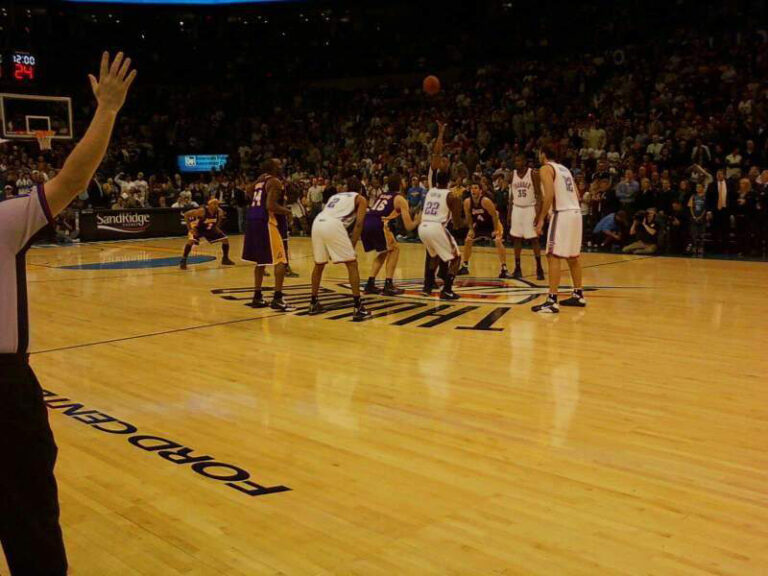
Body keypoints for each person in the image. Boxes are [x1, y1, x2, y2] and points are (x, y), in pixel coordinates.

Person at [0, 51, 136, 576]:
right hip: (3, 393)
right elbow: (72, 179)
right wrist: (107, 110)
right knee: (30, 519)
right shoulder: (5, 221)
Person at [532, 143, 585, 313]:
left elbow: (549, 194)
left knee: (553, 256)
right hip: (576, 213)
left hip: (562, 214)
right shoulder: (565, 169)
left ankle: (552, 300)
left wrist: (541, 219)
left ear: (543, 154)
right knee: (573, 257)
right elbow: (577, 195)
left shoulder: (546, 168)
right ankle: (578, 294)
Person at [309, 176, 371, 321]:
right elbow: (359, 223)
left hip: (318, 222)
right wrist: (353, 244)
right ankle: (358, 307)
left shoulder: (336, 196)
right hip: (333, 224)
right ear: (360, 189)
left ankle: (313, 302)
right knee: (352, 263)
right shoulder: (360, 199)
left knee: (319, 265)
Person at [241, 159, 294, 311]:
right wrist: (288, 211)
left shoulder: (259, 181)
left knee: (260, 261)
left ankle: (257, 296)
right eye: (278, 164)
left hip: (252, 220)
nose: (281, 166)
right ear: (272, 168)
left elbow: (248, 191)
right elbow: (270, 205)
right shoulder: (275, 182)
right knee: (281, 260)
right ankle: (277, 298)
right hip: (266, 221)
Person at [362, 173, 420, 295]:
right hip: (379, 223)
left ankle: (370, 283)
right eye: (403, 180)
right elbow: (409, 226)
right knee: (394, 250)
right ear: (400, 184)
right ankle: (388, 284)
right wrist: (418, 220)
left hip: (367, 222)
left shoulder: (382, 195)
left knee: (384, 252)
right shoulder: (400, 199)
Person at [418, 169, 464, 300]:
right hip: (436, 227)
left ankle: (427, 287)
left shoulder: (430, 191)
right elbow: (457, 223)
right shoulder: (451, 196)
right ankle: (447, 289)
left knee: (434, 256)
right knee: (456, 258)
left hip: (423, 227)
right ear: (449, 182)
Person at [457, 182, 509, 278]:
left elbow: (494, 216)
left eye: (476, 188)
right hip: (479, 225)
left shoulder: (485, 201)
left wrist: (496, 230)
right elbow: (468, 217)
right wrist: (471, 229)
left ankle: (504, 268)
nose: (473, 190)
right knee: (468, 240)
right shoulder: (467, 202)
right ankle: (465, 266)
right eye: (472, 188)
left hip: (492, 224)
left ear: (480, 191)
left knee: (498, 241)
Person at [507, 153, 544, 280]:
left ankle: (539, 268)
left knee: (534, 239)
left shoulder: (533, 174)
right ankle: (518, 268)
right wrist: (509, 213)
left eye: (519, 160)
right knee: (516, 238)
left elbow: (539, 195)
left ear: (524, 161)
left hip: (530, 208)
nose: (516, 162)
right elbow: (511, 195)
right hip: (517, 208)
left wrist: (538, 214)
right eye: (515, 160)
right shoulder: (512, 174)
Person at [179, 197, 235, 269]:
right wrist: (190, 229)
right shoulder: (202, 211)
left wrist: (216, 227)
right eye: (214, 204)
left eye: (217, 204)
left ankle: (225, 259)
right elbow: (186, 214)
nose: (216, 205)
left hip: (209, 229)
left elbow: (219, 219)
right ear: (209, 204)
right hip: (197, 228)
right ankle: (183, 260)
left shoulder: (219, 211)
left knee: (225, 239)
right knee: (191, 241)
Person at [688, 182, 708, 257]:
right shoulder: (693, 196)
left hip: (702, 217)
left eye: (699, 187)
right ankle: (694, 247)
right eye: (697, 187)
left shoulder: (705, 197)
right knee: (694, 233)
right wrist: (693, 216)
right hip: (694, 217)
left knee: (701, 234)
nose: (697, 188)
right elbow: (690, 207)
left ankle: (701, 247)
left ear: (703, 188)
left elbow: (705, 208)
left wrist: (701, 216)